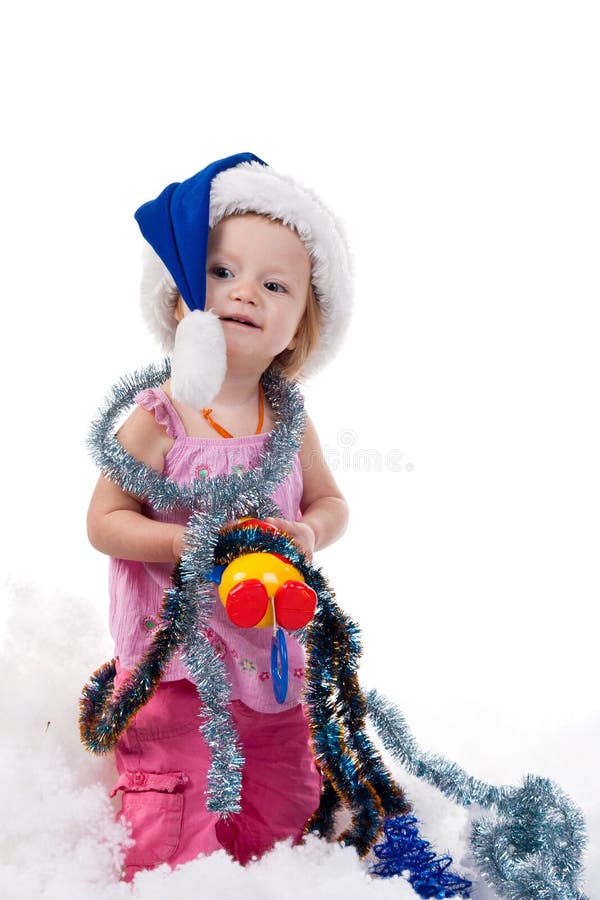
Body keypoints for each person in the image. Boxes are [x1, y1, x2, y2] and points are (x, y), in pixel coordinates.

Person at [86, 152, 353, 880]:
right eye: (222, 272)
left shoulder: (290, 422)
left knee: (282, 807)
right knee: (178, 819)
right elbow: (105, 518)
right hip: (175, 665)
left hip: (272, 661)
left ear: (298, 328)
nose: (245, 294)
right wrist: (183, 542)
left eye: (275, 285)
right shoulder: (159, 417)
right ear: (178, 299)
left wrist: (309, 531)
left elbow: (331, 502)